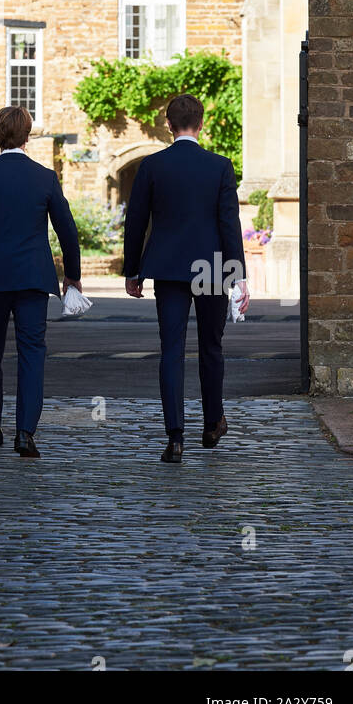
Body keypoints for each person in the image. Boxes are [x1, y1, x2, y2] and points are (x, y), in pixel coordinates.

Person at [123, 93, 249, 464]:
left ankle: (175, 436)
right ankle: (212, 422)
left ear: (169, 124)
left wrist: (134, 270)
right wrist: (238, 274)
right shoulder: (220, 166)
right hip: (211, 267)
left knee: (172, 350)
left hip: (168, 268)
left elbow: (136, 222)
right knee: (211, 346)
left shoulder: (152, 166)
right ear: (201, 122)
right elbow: (229, 223)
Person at [0, 105, 82, 459]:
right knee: (32, 353)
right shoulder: (45, 177)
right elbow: (67, 231)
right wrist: (72, 275)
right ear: (27, 137)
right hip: (32, 279)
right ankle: (25, 432)